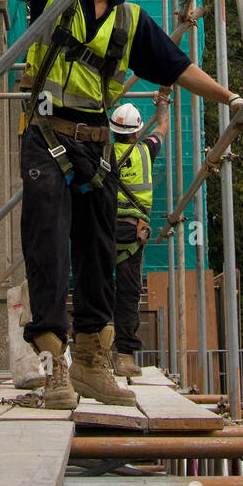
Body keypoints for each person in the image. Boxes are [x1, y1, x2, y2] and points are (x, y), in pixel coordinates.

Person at [19, 0, 243, 409]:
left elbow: (178, 67)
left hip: (96, 148)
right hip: (46, 137)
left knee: (98, 253)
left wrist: (231, 97)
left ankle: (92, 362)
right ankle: (53, 364)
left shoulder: (131, 20)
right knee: (48, 243)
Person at [109, 96, 171, 379]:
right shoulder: (146, 151)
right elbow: (162, 126)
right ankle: (123, 356)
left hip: (103, 230)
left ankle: (93, 354)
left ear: (112, 130)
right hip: (133, 235)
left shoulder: (102, 153)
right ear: (136, 132)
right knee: (128, 293)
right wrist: (162, 102)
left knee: (95, 289)